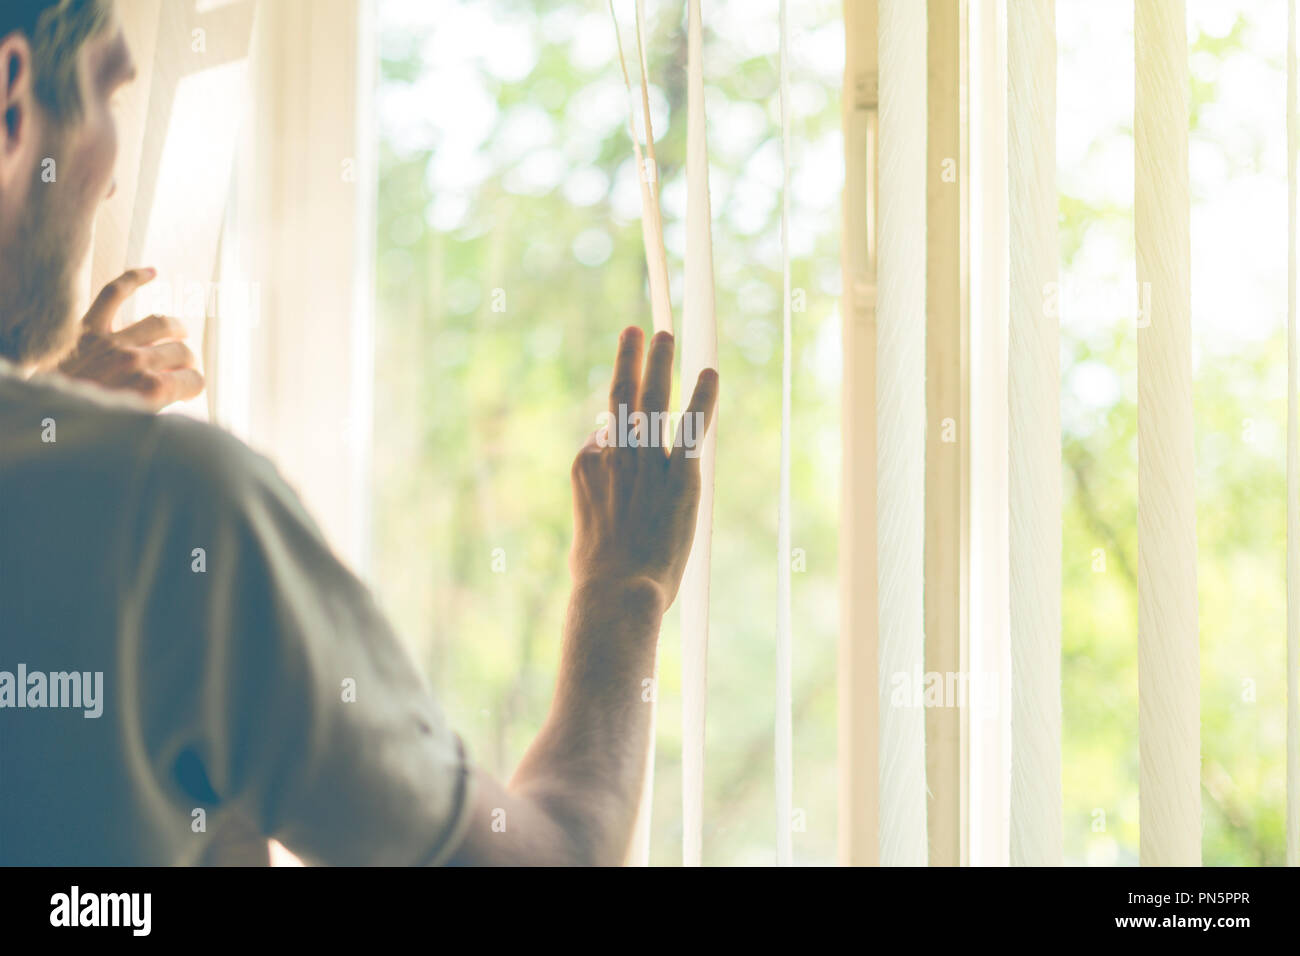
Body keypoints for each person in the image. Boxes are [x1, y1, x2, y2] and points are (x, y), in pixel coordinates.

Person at [0, 0, 718, 866]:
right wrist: (625, 587)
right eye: (111, 94)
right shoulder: (167, 507)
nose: (113, 180)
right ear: (12, 102)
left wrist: (53, 419)